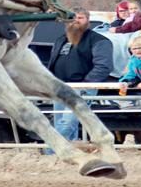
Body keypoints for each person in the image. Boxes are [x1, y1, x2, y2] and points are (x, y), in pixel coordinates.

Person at [43, 9, 114, 153]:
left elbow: (104, 66)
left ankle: (50, 152)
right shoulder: (61, 39)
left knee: (68, 122)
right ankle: (70, 155)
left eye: (80, 17)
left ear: (88, 20)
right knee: (60, 123)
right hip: (59, 87)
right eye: (72, 18)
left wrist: (86, 84)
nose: (76, 20)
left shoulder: (99, 40)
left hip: (81, 88)